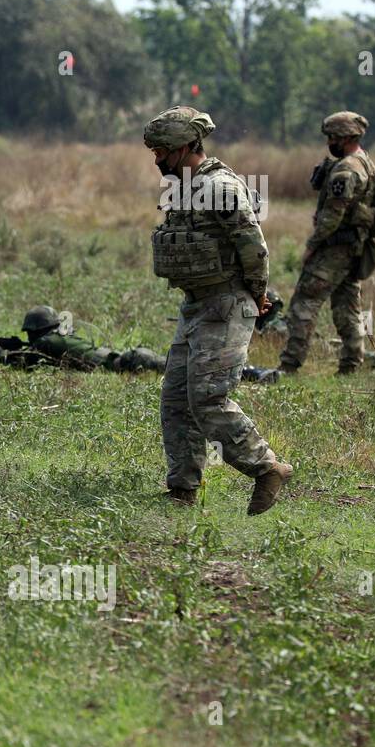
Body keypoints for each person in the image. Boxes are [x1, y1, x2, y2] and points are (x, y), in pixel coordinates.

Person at [143, 106, 293, 515]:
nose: (157, 159)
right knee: (176, 400)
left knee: (209, 397)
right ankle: (183, 489)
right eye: (154, 150)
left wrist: (258, 295)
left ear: (188, 146)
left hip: (226, 305)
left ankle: (267, 468)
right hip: (195, 306)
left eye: (164, 150)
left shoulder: (221, 186)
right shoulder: (183, 188)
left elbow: (253, 247)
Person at [278, 111, 375, 375]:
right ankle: (350, 365)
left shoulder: (347, 170)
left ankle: (289, 365)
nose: (329, 143)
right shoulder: (366, 162)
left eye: (332, 137)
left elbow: (333, 214)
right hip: (352, 248)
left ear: (345, 138)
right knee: (347, 306)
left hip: (334, 248)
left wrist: (312, 245)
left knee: (305, 301)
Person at [0, 305, 281, 383]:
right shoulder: (54, 339)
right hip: (129, 358)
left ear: (34, 331)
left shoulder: (45, 342)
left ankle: (253, 374)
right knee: (191, 369)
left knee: (194, 372)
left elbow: (19, 362)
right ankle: (253, 373)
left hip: (129, 362)